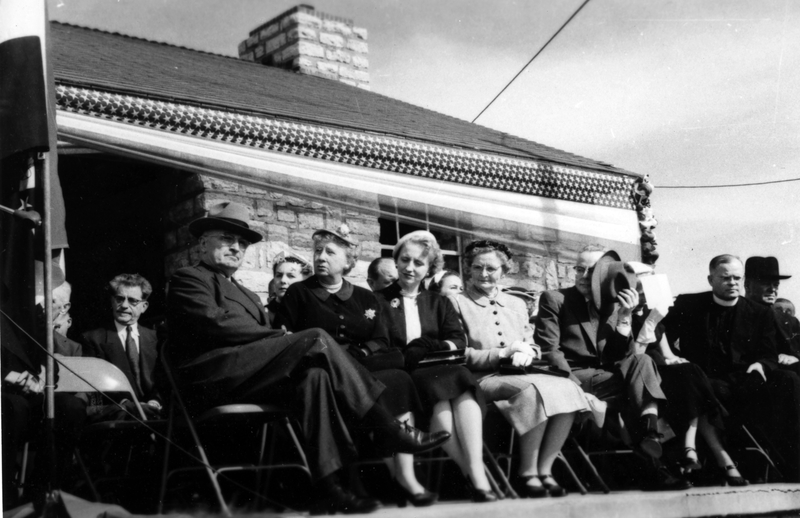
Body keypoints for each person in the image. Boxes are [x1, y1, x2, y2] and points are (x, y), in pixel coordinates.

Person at [166, 202, 449, 514]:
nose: (236, 248)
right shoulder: (189, 278)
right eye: (226, 239)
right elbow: (217, 323)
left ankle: (331, 487)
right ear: (203, 241)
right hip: (212, 377)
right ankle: (387, 427)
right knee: (315, 337)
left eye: (242, 243)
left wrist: (281, 339)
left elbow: (260, 334)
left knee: (316, 376)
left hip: (249, 376)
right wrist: (283, 338)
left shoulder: (247, 294)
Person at [279, 224, 434, 506]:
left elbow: (381, 340)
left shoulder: (365, 297)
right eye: (317, 251)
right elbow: (288, 339)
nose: (320, 257)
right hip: (317, 368)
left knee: (398, 377)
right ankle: (357, 478)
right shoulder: (298, 293)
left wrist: (360, 352)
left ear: (348, 261)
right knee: (323, 380)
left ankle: (405, 477)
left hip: (361, 365)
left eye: (329, 252)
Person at [450, 239, 601, 498]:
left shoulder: (517, 304)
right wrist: (502, 353)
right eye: (477, 268)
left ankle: (546, 469)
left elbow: (532, 342)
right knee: (533, 390)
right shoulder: (455, 302)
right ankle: (527, 472)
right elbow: (458, 354)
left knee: (567, 388)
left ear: (504, 272)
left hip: (521, 374)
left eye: (491, 269)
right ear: (469, 269)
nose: (484, 274)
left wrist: (530, 351)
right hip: (481, 379)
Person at [534, 250, 690, 490]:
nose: (584, 276)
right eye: (579, 269)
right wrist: (571, 385)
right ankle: (655, 452)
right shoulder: (555, 299)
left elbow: (621, 357)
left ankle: (650, 436)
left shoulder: (616, 304)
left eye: (592, 270)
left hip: (609, 378)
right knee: (644, 385)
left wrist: (625, 317)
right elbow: (550, 351)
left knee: (643, 362)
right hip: (573, 377)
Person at [375, 231, 495, 503]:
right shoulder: (379, 300)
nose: (410, 267)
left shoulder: (438, 302)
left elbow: (457, 340)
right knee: (440, 391)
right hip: (402, 373)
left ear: (429, 269)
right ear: (396, 261)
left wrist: (431, 345)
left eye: (419, 263)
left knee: (460, 380)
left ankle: (476, 470)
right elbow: (378, 343)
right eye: (405, 260)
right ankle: (473, 474)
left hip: (436, 367)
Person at [661, 254, 800, 483]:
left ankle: (791, 463)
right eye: (725, 278)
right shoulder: (690, 304)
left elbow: (768, 353)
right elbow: (660, 331)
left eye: (737, 278)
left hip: (742, 379)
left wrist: (761, 364)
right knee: (695, 381)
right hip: (702, 377)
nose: (732, 283)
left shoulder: (760, 312)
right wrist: (669, 356)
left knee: (788, 381)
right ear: (710, 280)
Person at [631, 266, 746, 486]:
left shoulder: (651, 311)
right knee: (692, 380)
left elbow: (666, 354)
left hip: (660, 370)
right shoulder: (625, 314)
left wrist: (673, 357)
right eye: (641, 286)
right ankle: (712, 454)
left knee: (690, 371)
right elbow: (634, 359)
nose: (645, 292)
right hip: (641, 373)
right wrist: (650, 324)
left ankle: (691, 447)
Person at [82, 273, 162, 421]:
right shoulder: (93, 339)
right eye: (119, 299)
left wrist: (154, 401)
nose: (124, 305)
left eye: (132, 301)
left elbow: (164, 379)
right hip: (119, 414)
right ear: (112, 301)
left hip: (156, 411)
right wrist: (128, 405)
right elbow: (96, 385)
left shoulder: (157, 338)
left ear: (144, 306)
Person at [744, 257, 800, 373]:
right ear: (747, 285)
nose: (772, 289)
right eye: (765, 283)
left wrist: (795, 357)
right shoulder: (735, 314)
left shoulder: (790, 321)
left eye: (776, 285)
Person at [266, 251, 312, 326]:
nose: (283, 280)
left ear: (305, 280)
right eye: (279, 275)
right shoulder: (264, 314)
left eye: (291, 276)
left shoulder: (313, 311)